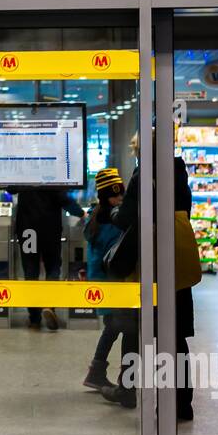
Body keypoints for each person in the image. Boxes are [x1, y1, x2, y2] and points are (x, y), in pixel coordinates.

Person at [110, 131, 197, 419]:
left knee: (134, 326)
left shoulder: (142, 174)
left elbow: (126, 218)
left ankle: (127, 387)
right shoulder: (178, 171)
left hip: (147, 260)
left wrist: (110, 214)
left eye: (136, 148)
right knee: (175, 333)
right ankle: (181, 403)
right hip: (176, 259)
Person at [81, 169, 136, 403]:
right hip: (110, 283)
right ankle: (97, 371)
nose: (119, 199)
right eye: (114, 196)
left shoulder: (97, 216)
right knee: (117, 327)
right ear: (105, 197)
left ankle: (97, 371)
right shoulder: (109, 220)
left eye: (121, 194)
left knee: (112, 327)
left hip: (104, 283)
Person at [14, 184, 85, 330]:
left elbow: (10, 188)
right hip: (49, 230)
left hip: (28, 231)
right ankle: (49, 306)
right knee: (52, 267)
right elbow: (63, 199)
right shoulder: (52, 176)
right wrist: (80, 213)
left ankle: (34, 318)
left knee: (31, 269)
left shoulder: (24, 174)